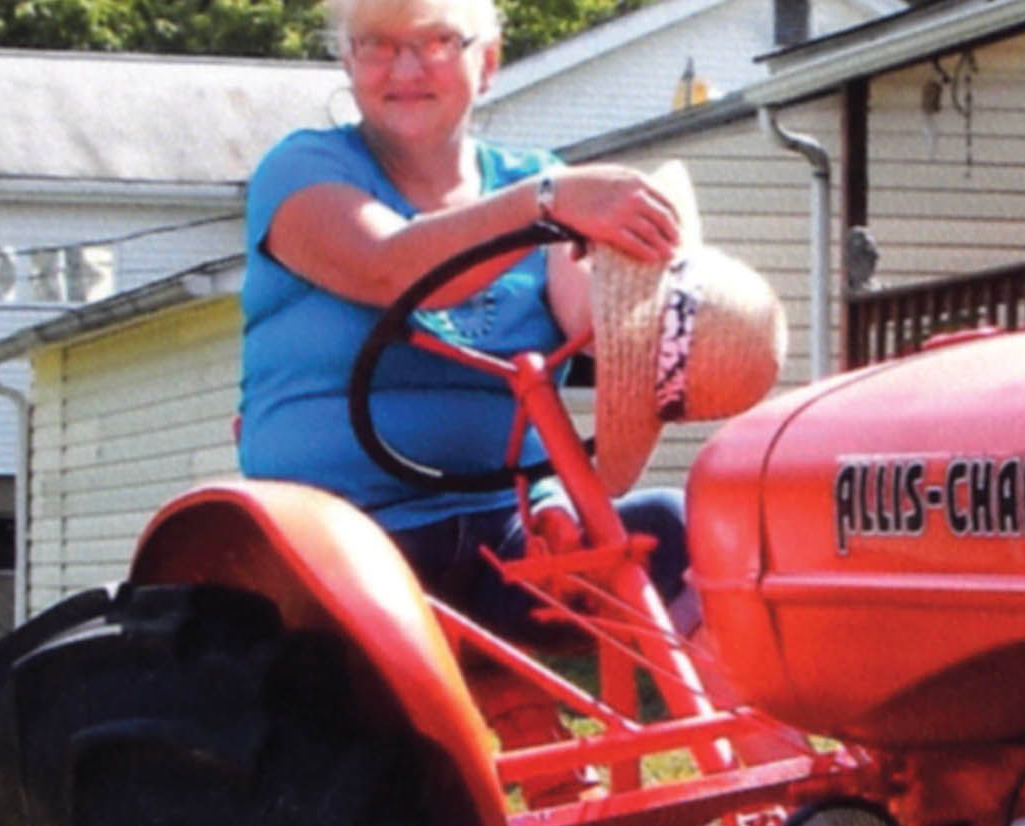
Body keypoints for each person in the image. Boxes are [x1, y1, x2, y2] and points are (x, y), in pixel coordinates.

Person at [235, 0, 696, 639]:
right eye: (376, 44)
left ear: (489, 61)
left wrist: (667, 305)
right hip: (336, 543)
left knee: (691, 535)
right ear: (347, 60)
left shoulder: (538, 181)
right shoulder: (302, 171)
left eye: (437, 41)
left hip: (514, 534)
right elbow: (391, 267)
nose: (405, 67)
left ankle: (764, 741)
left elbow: (610, 328)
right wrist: (551, 202)